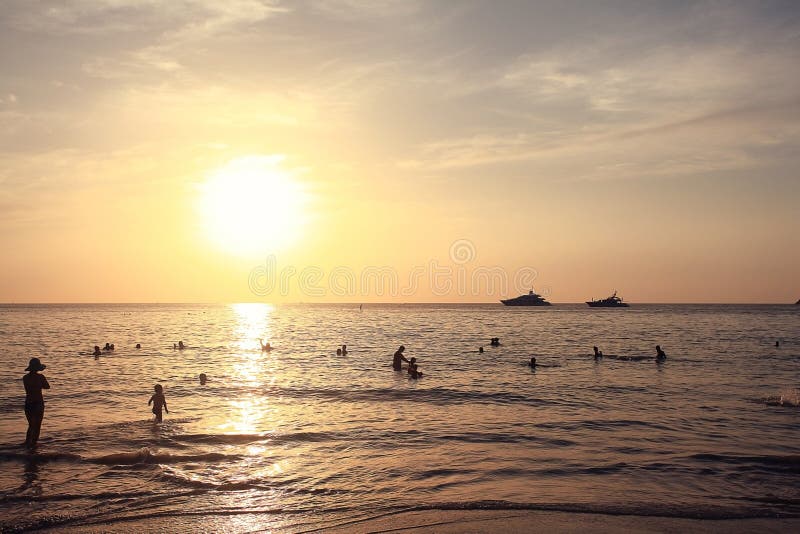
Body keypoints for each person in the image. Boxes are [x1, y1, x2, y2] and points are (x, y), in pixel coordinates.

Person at [23, 358, 50, 450]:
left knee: (31, 425)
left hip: (28, 403)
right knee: (37, 425)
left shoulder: (25, 378)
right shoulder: (40, 377)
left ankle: (27, 443)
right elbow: (47, 386)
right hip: (38, 403)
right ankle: (34, 444)